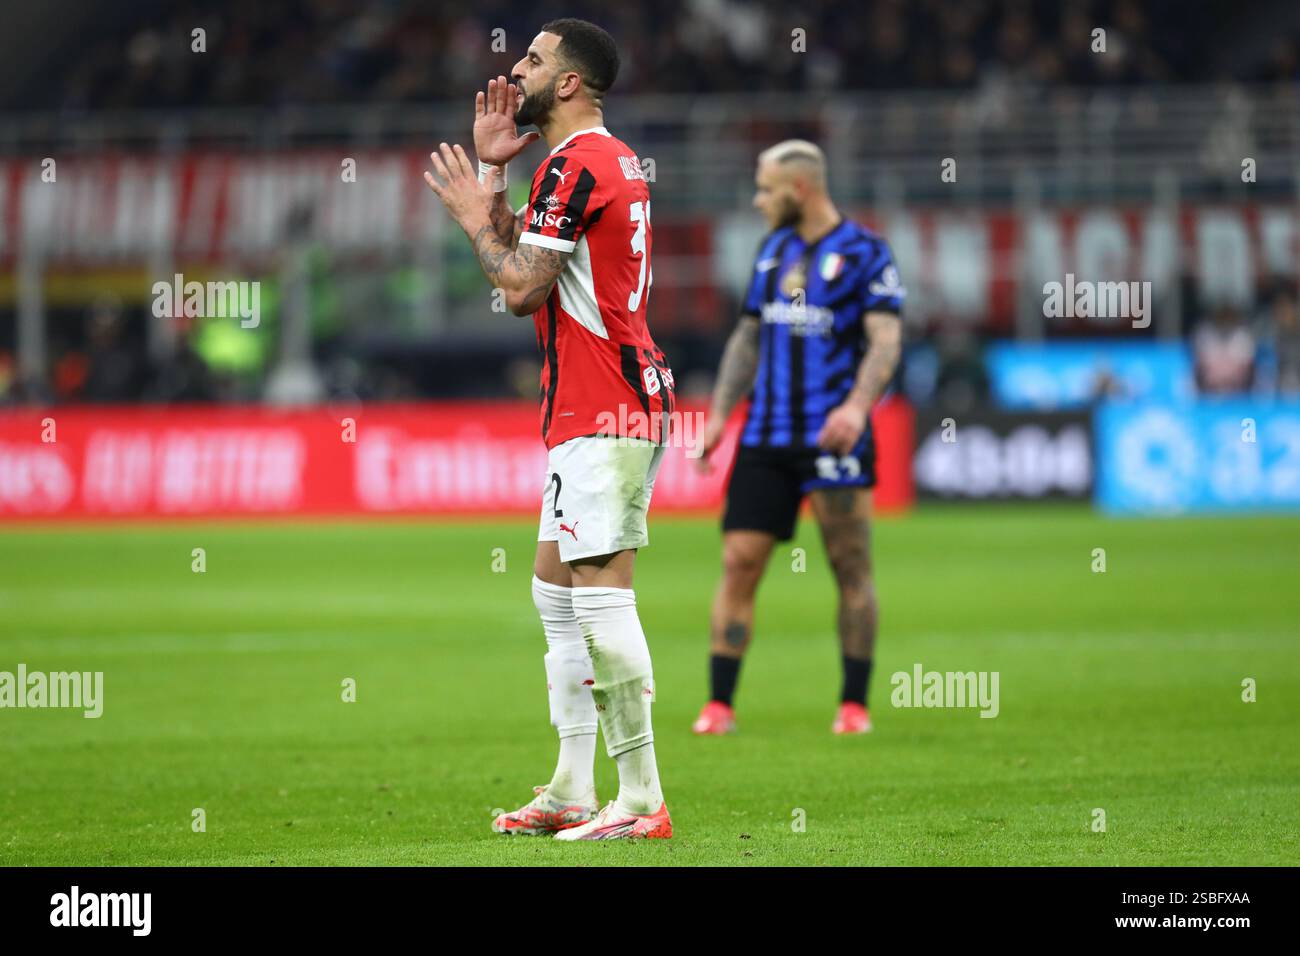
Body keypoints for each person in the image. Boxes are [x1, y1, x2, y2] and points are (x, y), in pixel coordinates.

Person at [422, 19, 673, 840]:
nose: (515, 69)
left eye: (532, 60)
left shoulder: (579, 162)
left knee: (602, 600)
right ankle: (571, 783)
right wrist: (493, 174)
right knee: (556, 595)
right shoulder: (591, 160)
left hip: (606, 403)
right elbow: (522, 271)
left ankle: (640, 800)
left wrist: (469, 213)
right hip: (587, 405)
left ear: (568, 83)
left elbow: (521, 289)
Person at [693, 140, 904, 736]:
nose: (759, 200)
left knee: (849, 563)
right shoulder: (773, 249)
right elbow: (747, 338)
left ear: (799, 188)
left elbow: (886, 341)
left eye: (766, 188)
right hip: (766, 434)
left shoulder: (866, 252)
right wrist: (718, 417)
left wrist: (859, 408)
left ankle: (853, 705)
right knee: (739, 561)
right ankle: (719, 705)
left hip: (834, 438)